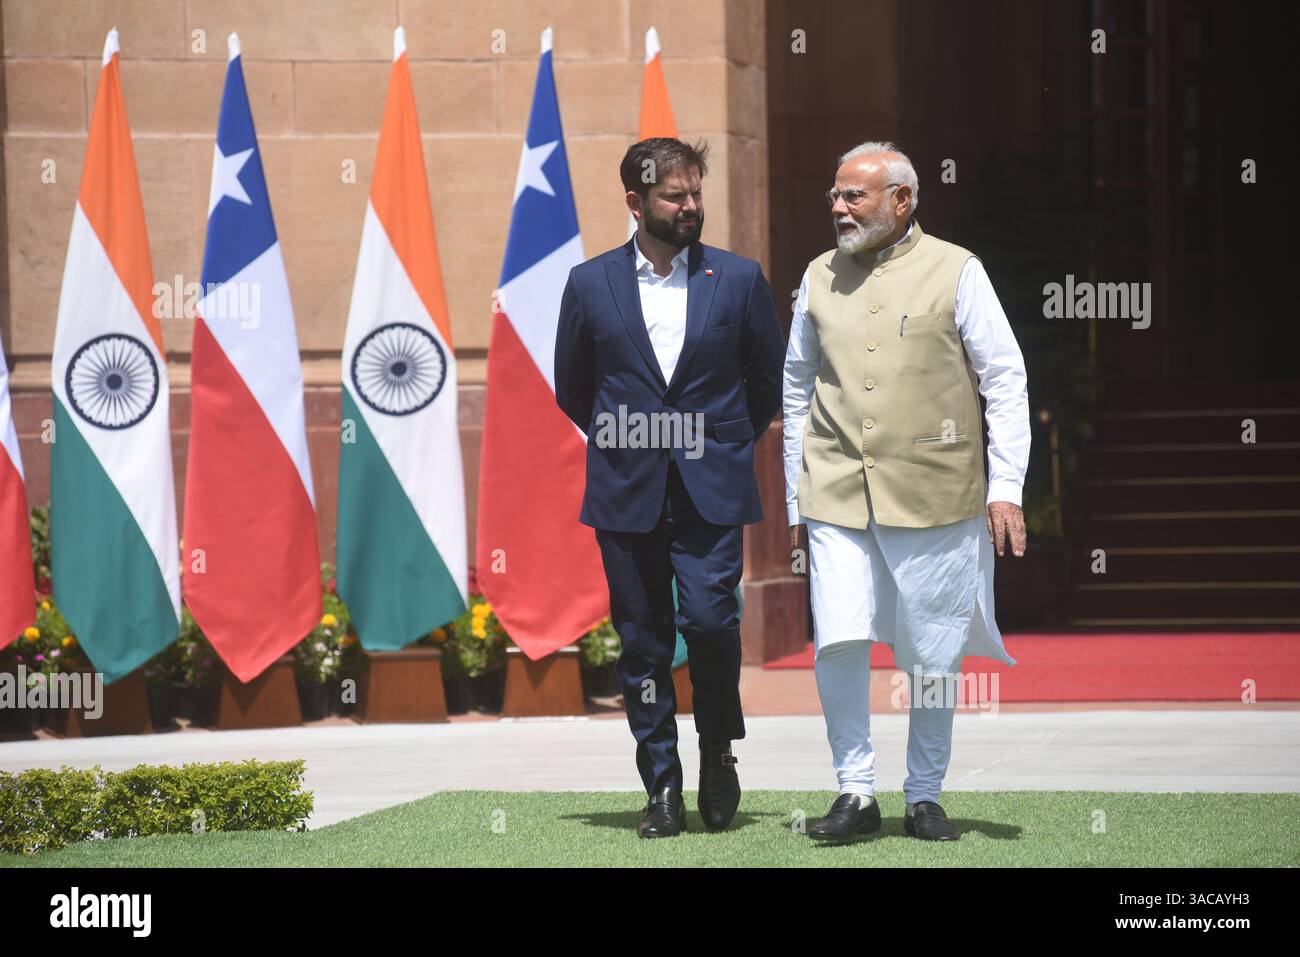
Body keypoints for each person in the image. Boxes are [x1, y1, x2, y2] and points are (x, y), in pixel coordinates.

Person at [783, 140, 1030, 842]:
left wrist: (1006, 487)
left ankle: (924, 794)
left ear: (901, 199)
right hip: (836, 488)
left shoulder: (958, 269)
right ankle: (855, 791)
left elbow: (1004, 378)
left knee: (932, 650)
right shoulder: (817, 275)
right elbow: (796, 384)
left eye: (853, 195)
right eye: (834, 194)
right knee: (838, 638)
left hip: (936, 492)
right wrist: (796, 495)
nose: (839, 207)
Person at [554, 137, 785, 838]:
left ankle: (718, 753)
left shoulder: (738, 278)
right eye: (673, 196)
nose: (690, 206)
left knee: (711, 622)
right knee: (643, 640)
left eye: (695, 194)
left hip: (710, 486)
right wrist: (634, 442)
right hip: (626, 489)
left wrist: (718, 444)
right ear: (636, 202)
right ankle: (661, 782)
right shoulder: (589, 283)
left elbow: (765, 382)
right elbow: (574, 387)